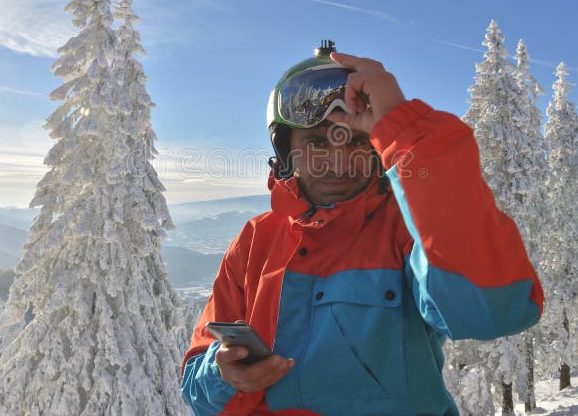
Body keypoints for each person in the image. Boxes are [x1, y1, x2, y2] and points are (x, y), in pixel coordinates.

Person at [180, 41, 544, 415]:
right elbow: (194, 389)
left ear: (376, 147)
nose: (337, 161)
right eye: (318, 143)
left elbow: (494, 310)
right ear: (287, 149)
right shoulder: (254, 241)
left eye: (355, 141)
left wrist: (406, 129)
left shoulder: (407, 228)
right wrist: (223, 374)